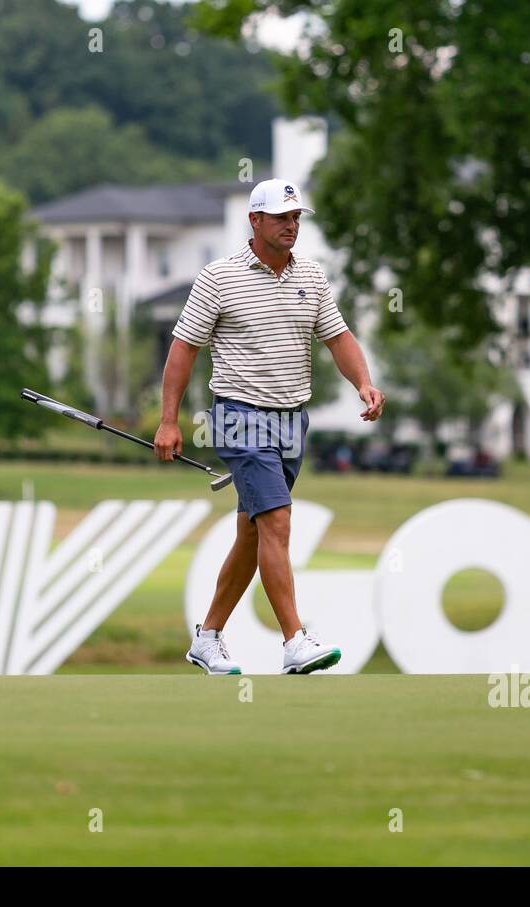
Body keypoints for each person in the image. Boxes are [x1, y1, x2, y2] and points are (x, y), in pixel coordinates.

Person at [154, 177, 385, 675]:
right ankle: (295, 640)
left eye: (297, 217)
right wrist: (168, 421)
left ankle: (208, 637)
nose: (291, 226)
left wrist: (363, 382)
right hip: (239, 416)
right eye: (282, 218)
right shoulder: (218, 277)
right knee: (277, 520)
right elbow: (183, 350)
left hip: (290, 422)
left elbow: (338, 338)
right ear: (255, 221)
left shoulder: (313, 277)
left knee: (254, 533)